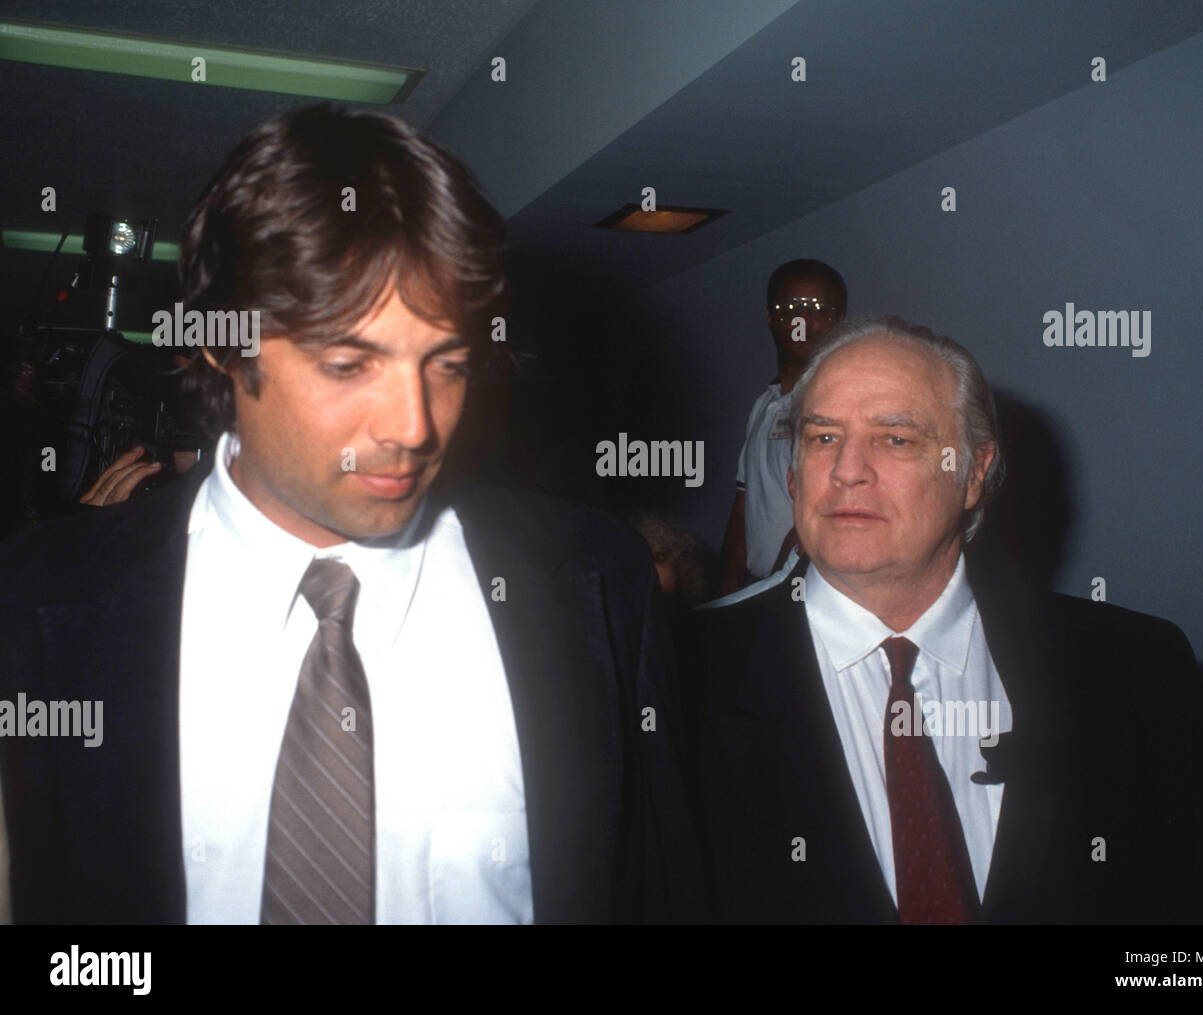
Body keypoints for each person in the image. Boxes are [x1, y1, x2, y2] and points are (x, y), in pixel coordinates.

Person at [0, 103, 702, 925]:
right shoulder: (37, 601)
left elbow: (659, 888)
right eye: (347, 363)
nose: (413, 425)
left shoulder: (595, 578)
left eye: (447, 363)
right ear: (222, 347)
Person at [685, 316, 1203, 923]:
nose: (846, 470)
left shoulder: (1134, 669)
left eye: (895, 439)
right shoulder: (676, 676)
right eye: (821, 438)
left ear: (974, 471)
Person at [718, 259, 846, 594]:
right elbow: (744, 504)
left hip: (810, 588)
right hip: (766, 589)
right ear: (771, 318)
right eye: (791, 308)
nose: (805, 321)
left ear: (839, 320)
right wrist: (728, 587)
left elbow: (825, 508)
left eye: (820, 308)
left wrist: (773, 591)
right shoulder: (766, 403)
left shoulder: (841, 404)